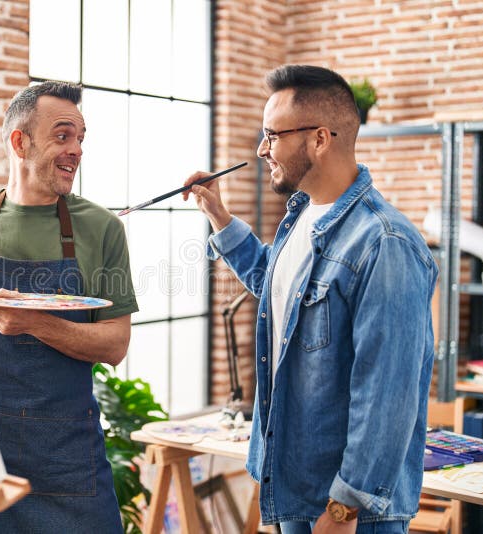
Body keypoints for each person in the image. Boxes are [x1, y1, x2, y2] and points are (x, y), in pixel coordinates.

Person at [182, 65, 437, 533]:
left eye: (271, 135)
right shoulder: (301, 216)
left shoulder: (385, 241)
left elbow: (388, 392)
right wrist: (218, 216)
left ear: (319, 138)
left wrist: (345, 508)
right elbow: (279, 295)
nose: (262, 150)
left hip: (347, 509)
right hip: (297, 489)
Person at [0, 81, 138, 533]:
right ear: (19, 142)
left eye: (81, 138)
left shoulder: (102, 229)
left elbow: (115, 344)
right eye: (63, 136)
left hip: (69, 461)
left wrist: (35, 323)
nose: (77, 150)